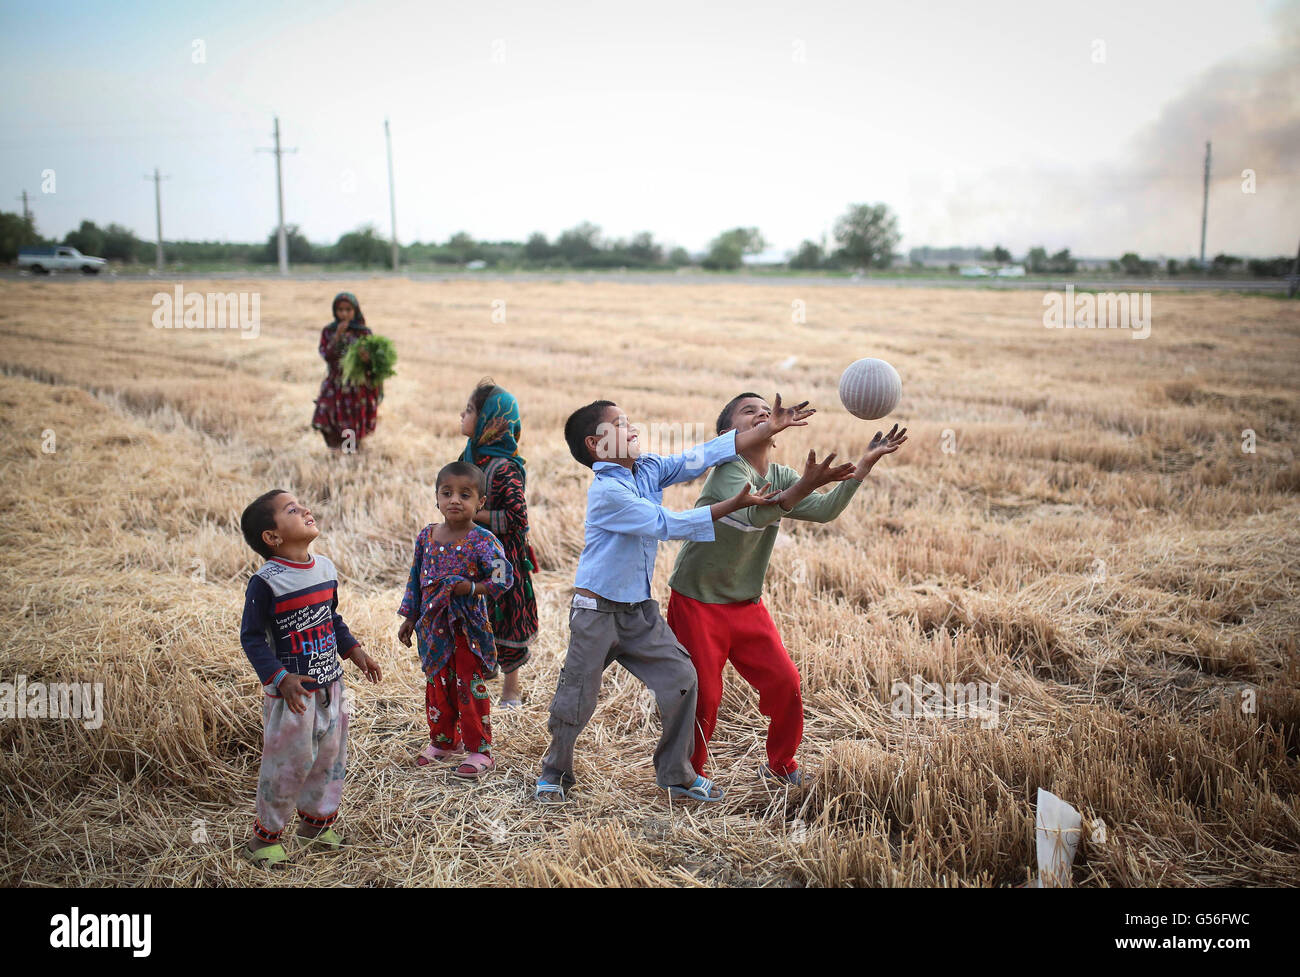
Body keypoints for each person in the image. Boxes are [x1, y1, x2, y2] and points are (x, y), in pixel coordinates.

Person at [535, 394, 815, 804]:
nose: (632, 428)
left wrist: (767, 428)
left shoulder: (647, 470)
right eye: (620, 424)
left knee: (684, 680)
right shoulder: (608, 492)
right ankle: (554, 772)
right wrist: (729, 506)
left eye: (629, 420)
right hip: (596, 612)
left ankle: (675, 774)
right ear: (596, 445)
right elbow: (666, 524)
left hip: (638, 613)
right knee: (577, 698)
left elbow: (698, 458)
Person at [667, 393, 907, 785]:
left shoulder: (779, 475)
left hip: (746, 605)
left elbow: (826, 510)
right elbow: (755, 516)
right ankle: (685, 774)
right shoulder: (726, 471)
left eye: (766, 408)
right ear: (731, 434)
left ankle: (781, 765)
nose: (762, 412)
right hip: (697, 602)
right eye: (750, 411)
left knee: (786, 683)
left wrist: (864, 465)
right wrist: (804, 487)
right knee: (705, 697)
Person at [238, 489, 382, 868]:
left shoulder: (324, 569)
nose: (304, 509)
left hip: (332, 688)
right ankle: (263, 838)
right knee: (288, 764)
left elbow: (330, 619)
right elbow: (251, 637)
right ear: (272, 537)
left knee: (329, 760)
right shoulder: (266, 582)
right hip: (293, 697)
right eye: (291, 509)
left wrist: (354, 651)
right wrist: (280, 677)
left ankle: (316, 825)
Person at [398, 462, 515, 779]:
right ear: (436, 498)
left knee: (468, 686)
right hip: (432, 630)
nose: (455, 500)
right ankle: (444, 741)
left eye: (465, 494)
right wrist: (410, 615)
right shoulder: (426, 537)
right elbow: (415, 579)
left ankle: (479, 750)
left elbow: (504, 578)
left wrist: (474, 588)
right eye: (447, 492)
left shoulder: (483, 541)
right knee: (438, 685)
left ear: (481, 503)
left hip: (467, 629)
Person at [459, 379, 538, 710]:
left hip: (502, 561)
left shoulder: (504, 468)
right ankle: (477, 677)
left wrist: (477, 514)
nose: (462, 415)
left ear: (491, 420)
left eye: (469, 410)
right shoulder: (468, 459)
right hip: (472, 555)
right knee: (473, 617)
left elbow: (518, 520)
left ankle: (511, 689)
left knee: (506, 619)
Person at [311, 292, 380, 451]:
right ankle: (335, 448)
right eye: (340, 310)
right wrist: (337, 337)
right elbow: (326, 355)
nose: (344, 314)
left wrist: (367, 358)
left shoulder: (363, 333)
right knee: (325, 416)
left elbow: (374, 364)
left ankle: (349, 453)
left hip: (356, 385)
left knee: (350, 422)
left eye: (348, 310)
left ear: (355, 311)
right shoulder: (329, 331)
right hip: (335, 383)